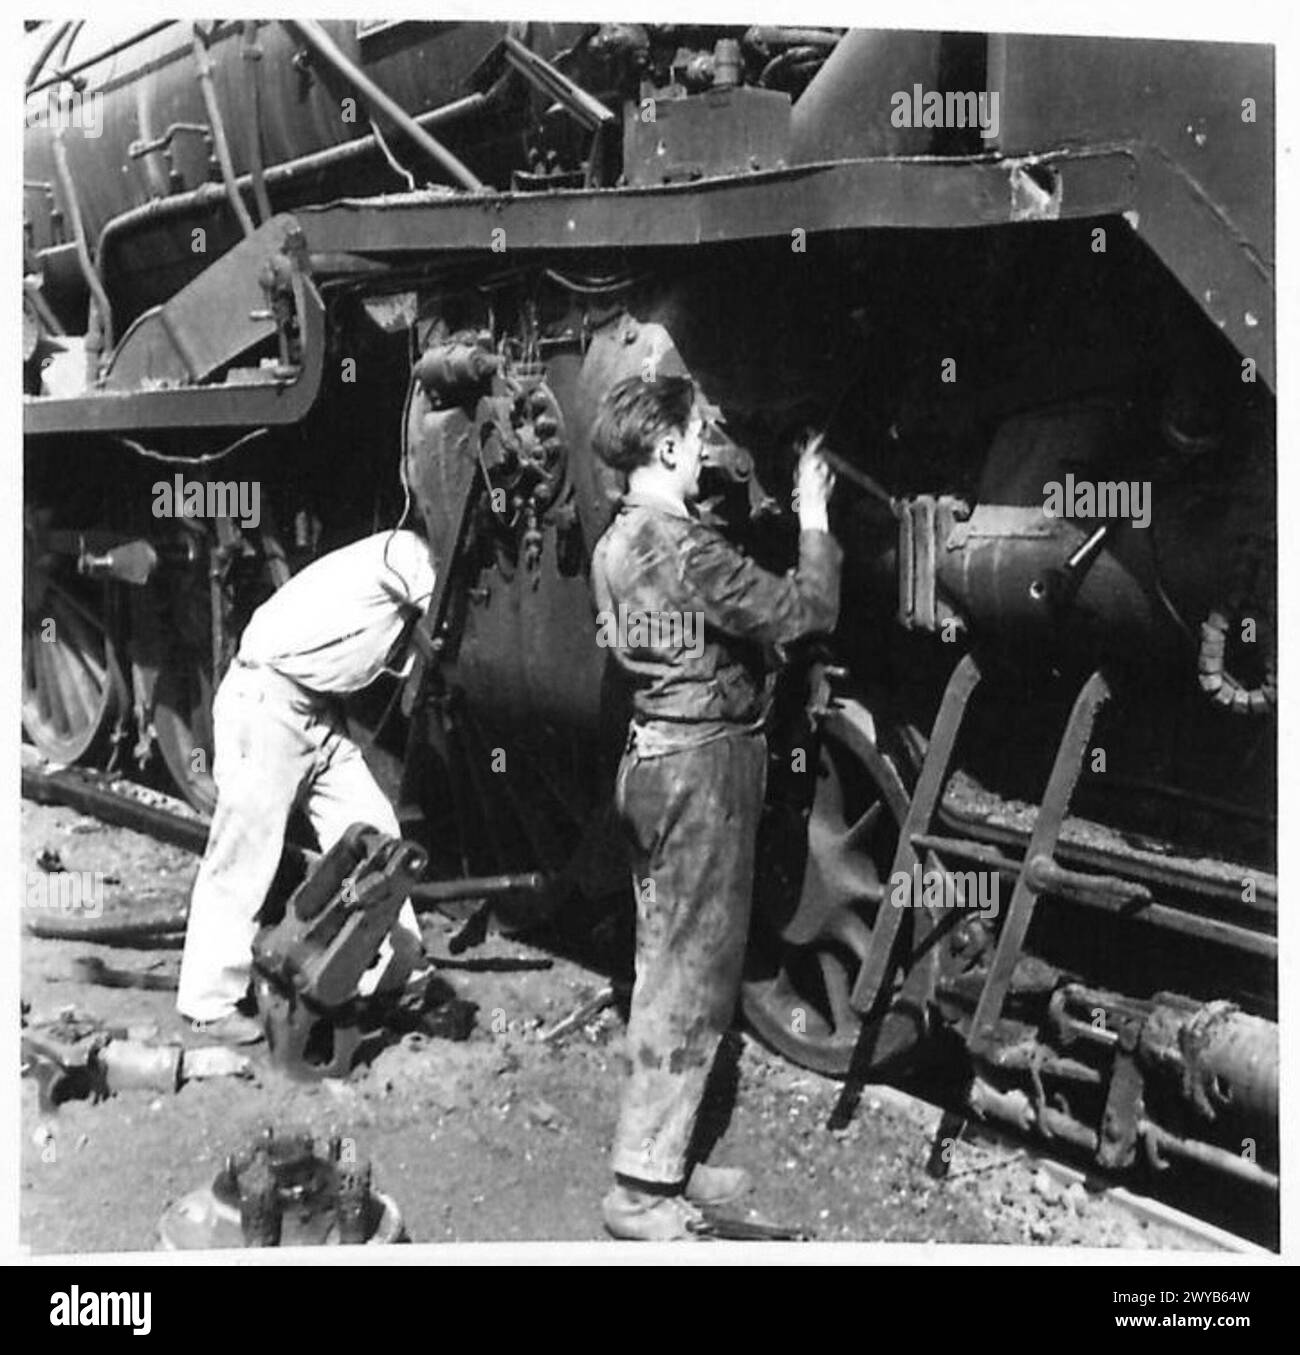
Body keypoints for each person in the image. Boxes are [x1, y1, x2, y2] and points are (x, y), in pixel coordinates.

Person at [589, 373, 841, 1239]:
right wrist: (811, 513)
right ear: (665, 449)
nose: (706, 447)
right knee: (686, 972)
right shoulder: (685, 550)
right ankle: (638, 1191)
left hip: (656, 757)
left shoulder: (617, 542)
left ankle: (670, 1156)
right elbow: (805, 611)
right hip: (700, 769)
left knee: (670, 959)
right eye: (697, 435)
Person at [176, 529, 435, 1044]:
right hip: (267, 703)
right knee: (245, 852)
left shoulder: (402, 559)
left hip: (314, 711)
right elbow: (441, 621)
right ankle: (207, 1003)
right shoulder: (404, 552)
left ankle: (396, 971)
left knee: (377, 837)